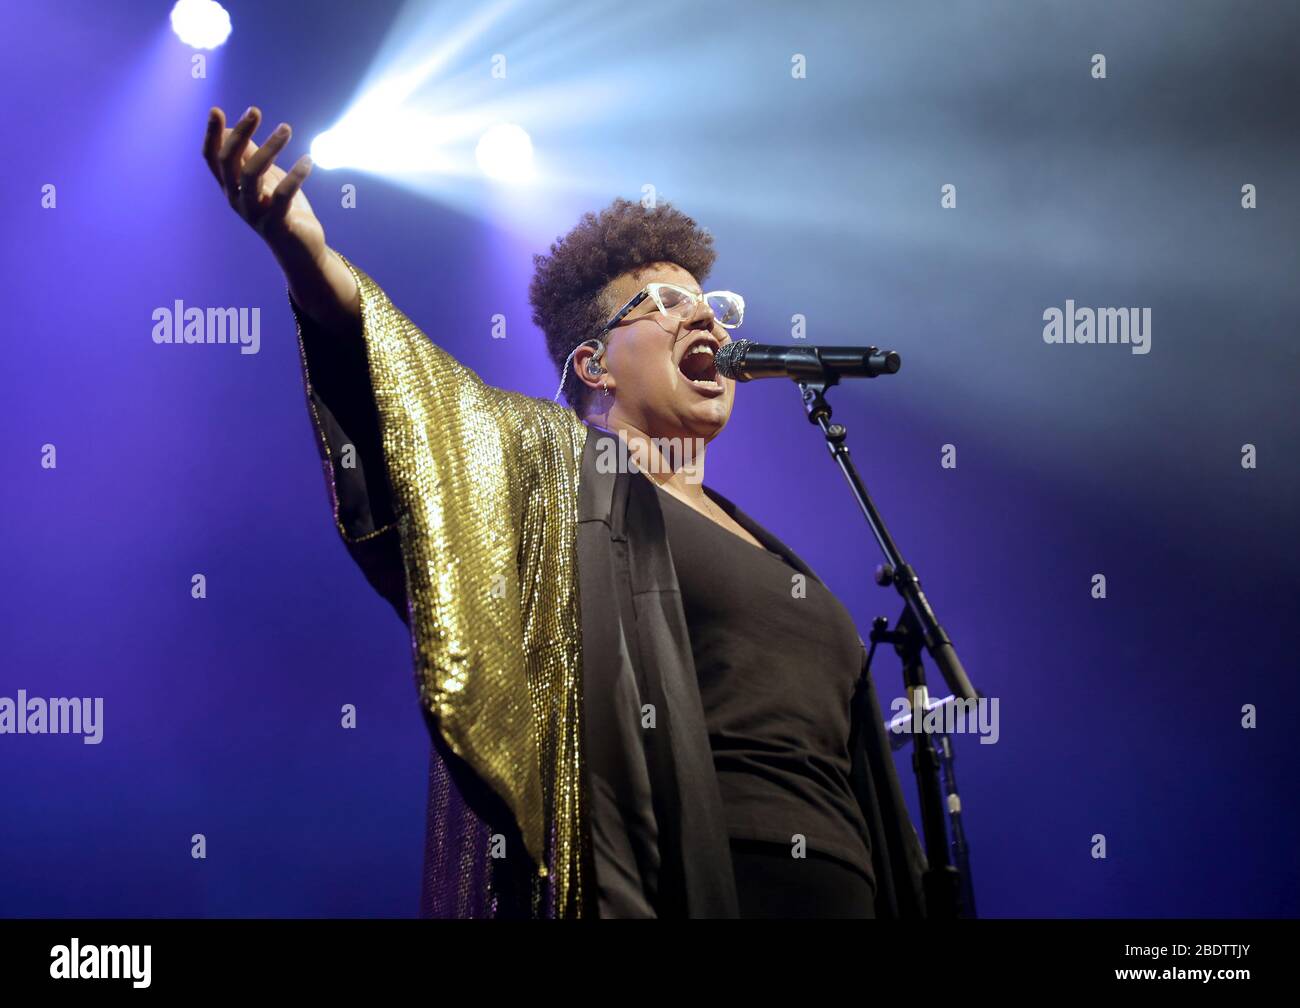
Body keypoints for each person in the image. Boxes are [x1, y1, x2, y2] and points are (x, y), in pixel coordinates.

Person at [201, 105, 928, 919]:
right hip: (677, 888)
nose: (706, 319)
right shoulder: (556, 469)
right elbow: (422, 409)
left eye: (713, 303)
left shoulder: (775, 552)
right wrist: (311, 263)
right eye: (660, 301)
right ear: (595, 364)